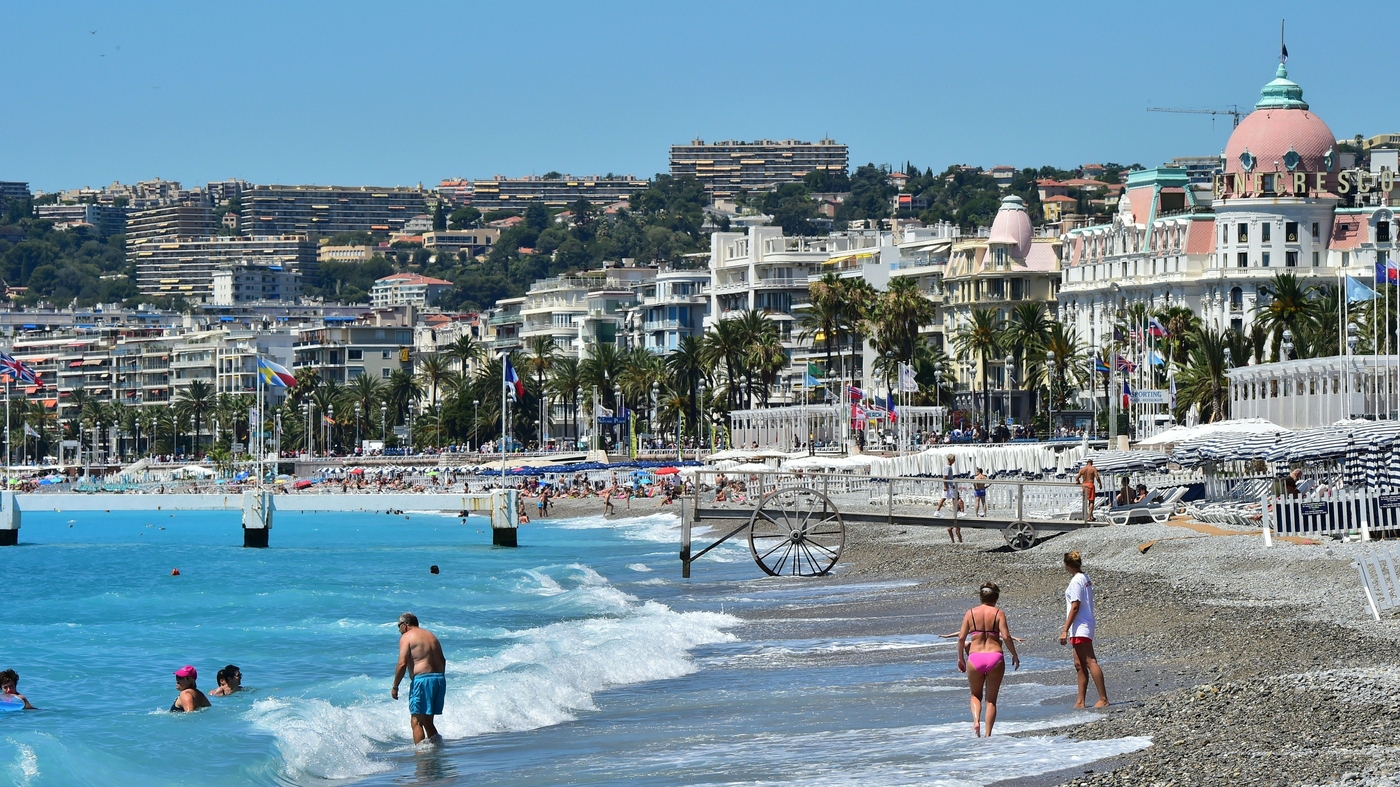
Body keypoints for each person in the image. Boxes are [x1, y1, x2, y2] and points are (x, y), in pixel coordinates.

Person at [956, 582, 1018, 737]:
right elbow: (1006, 636)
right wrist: (1014, 654)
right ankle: (988, 735)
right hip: (994, 657)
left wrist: (960, 658)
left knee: (975, 695)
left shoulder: (970, 613)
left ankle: (976, 721)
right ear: (996, 598)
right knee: (991, 701)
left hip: (975, 657)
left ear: (980, 596)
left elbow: (961, 637)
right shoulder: (999, 613)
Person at [1059, 551, 1110, 708]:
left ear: (1067, 565)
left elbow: (1075, 606)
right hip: (1080, 626)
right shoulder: (1084, 577)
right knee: (1079, 664)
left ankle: (1103, 699)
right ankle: (1080, 701)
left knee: (1090, 661)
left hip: (1081, 625)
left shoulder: (1077, 581)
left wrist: (1065, 630)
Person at [391, 612, 447, 745]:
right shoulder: (431, 635)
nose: (399, 630)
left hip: (422, 680)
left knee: (416, 722)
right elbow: (443, 660)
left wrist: (395, 686)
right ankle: (437, 750)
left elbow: (402, 663)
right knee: (428, 721)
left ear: (405, 625)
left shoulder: (407, 637)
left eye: (398, 626)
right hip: (439, 679)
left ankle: (421, 755)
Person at [935, 455, 964, 544]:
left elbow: (948, 478)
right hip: (948, 486)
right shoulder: (947, 467)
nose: (954, 461)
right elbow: (944, 477)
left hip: (949, 485)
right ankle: (937, 511)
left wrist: (951, 484)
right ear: (951, 460)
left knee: (952, 498)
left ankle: (939, 511)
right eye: (954, 459)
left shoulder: (949, 467)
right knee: (947, 498)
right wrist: (945, 486)